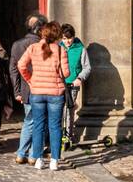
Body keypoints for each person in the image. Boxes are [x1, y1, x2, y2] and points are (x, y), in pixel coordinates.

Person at [17, 21, 68, 171]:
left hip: (37, 92)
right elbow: (66, 73)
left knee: (38, 126)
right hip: (55, 93)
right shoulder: (60, 50)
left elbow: (21, 65)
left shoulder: (33, 48)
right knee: (55, 126)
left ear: (43, 33)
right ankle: (54, 161)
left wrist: (30, 80)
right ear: (57, 35)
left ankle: (38, 159)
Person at [9, 12, 47, 165]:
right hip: (43, 87)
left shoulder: (17, 44)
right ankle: (33, 154)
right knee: (40, 121)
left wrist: (17, 90)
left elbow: (13, 70)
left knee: (29, 121)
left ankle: (21, 154)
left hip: (25, 89)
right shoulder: (44, 46)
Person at [60, 22, 91, 145]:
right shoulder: (58, 47)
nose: (67, 41)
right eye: (64, 38)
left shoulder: (80, 48)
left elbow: (87, 67)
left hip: (72, 85)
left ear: (73, 36)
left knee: (68, 110)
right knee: (57, 110)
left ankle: (68, 136)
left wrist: (79, 78)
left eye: (69, 38)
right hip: (59, 84)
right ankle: (58, 135)